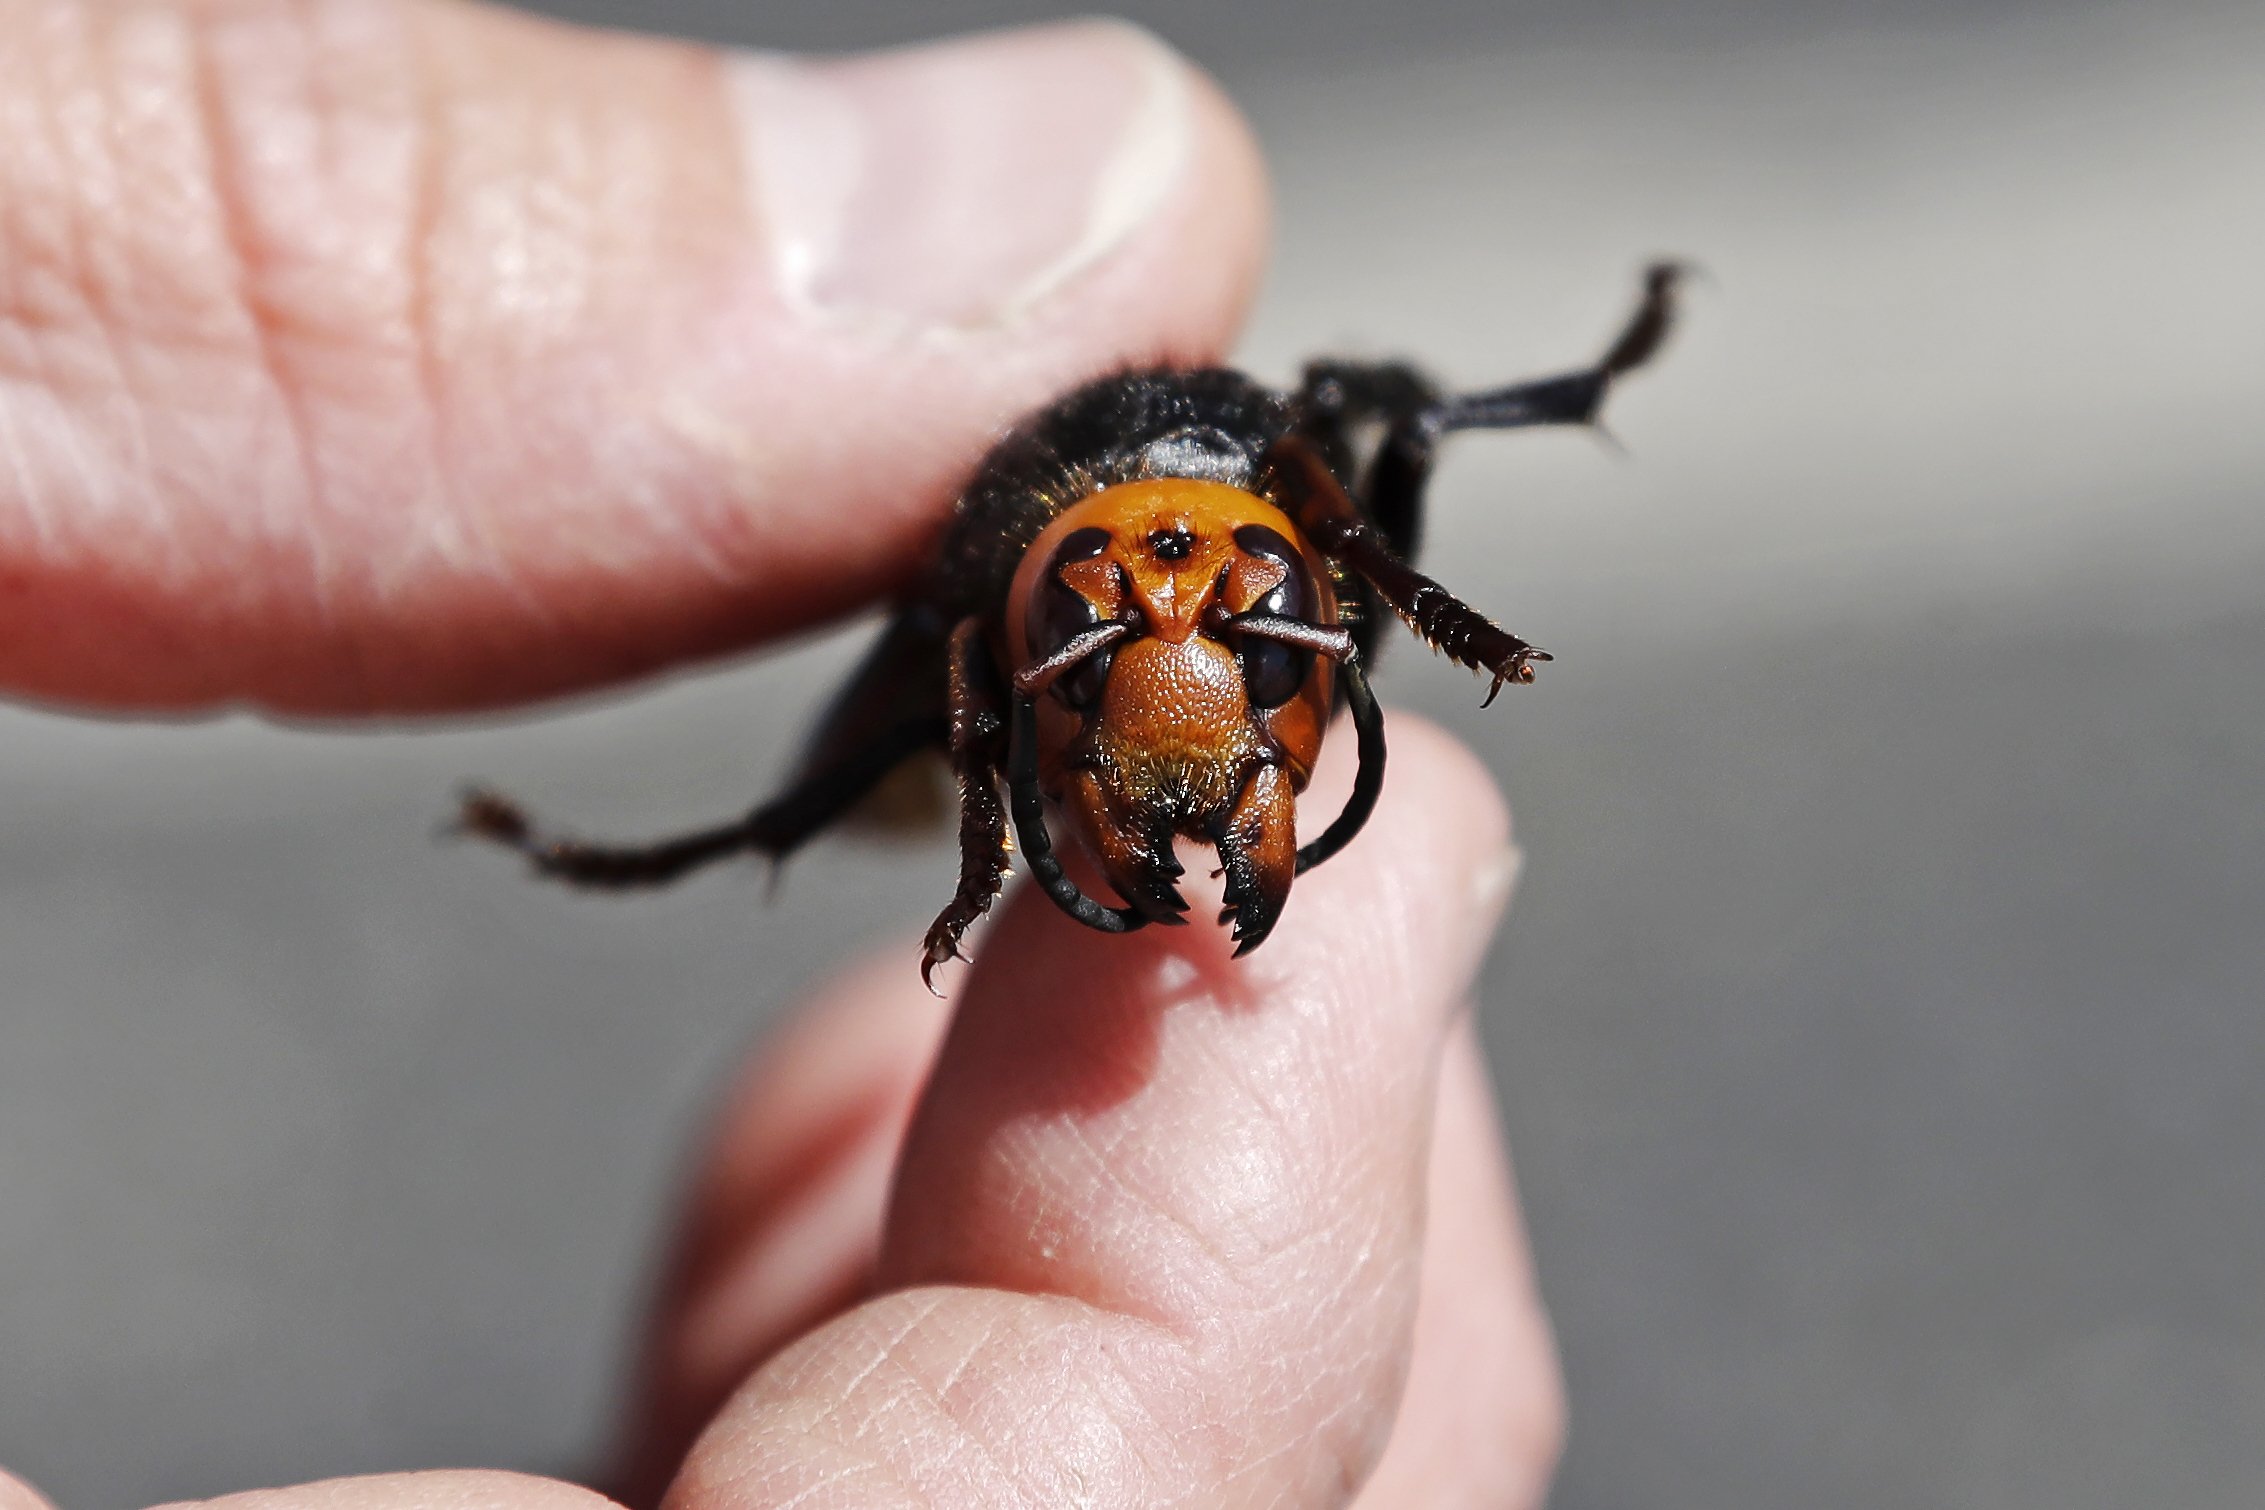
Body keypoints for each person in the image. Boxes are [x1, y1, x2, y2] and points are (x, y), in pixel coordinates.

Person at [0, 5, 1562, 1505]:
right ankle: (726, 841)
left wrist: (1405, 568)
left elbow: (1377, 419)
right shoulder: (1009, 615)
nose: (1182, 672)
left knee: (1382, 411)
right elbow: (963, 663)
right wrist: (977, 848)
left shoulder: (1287, 507)